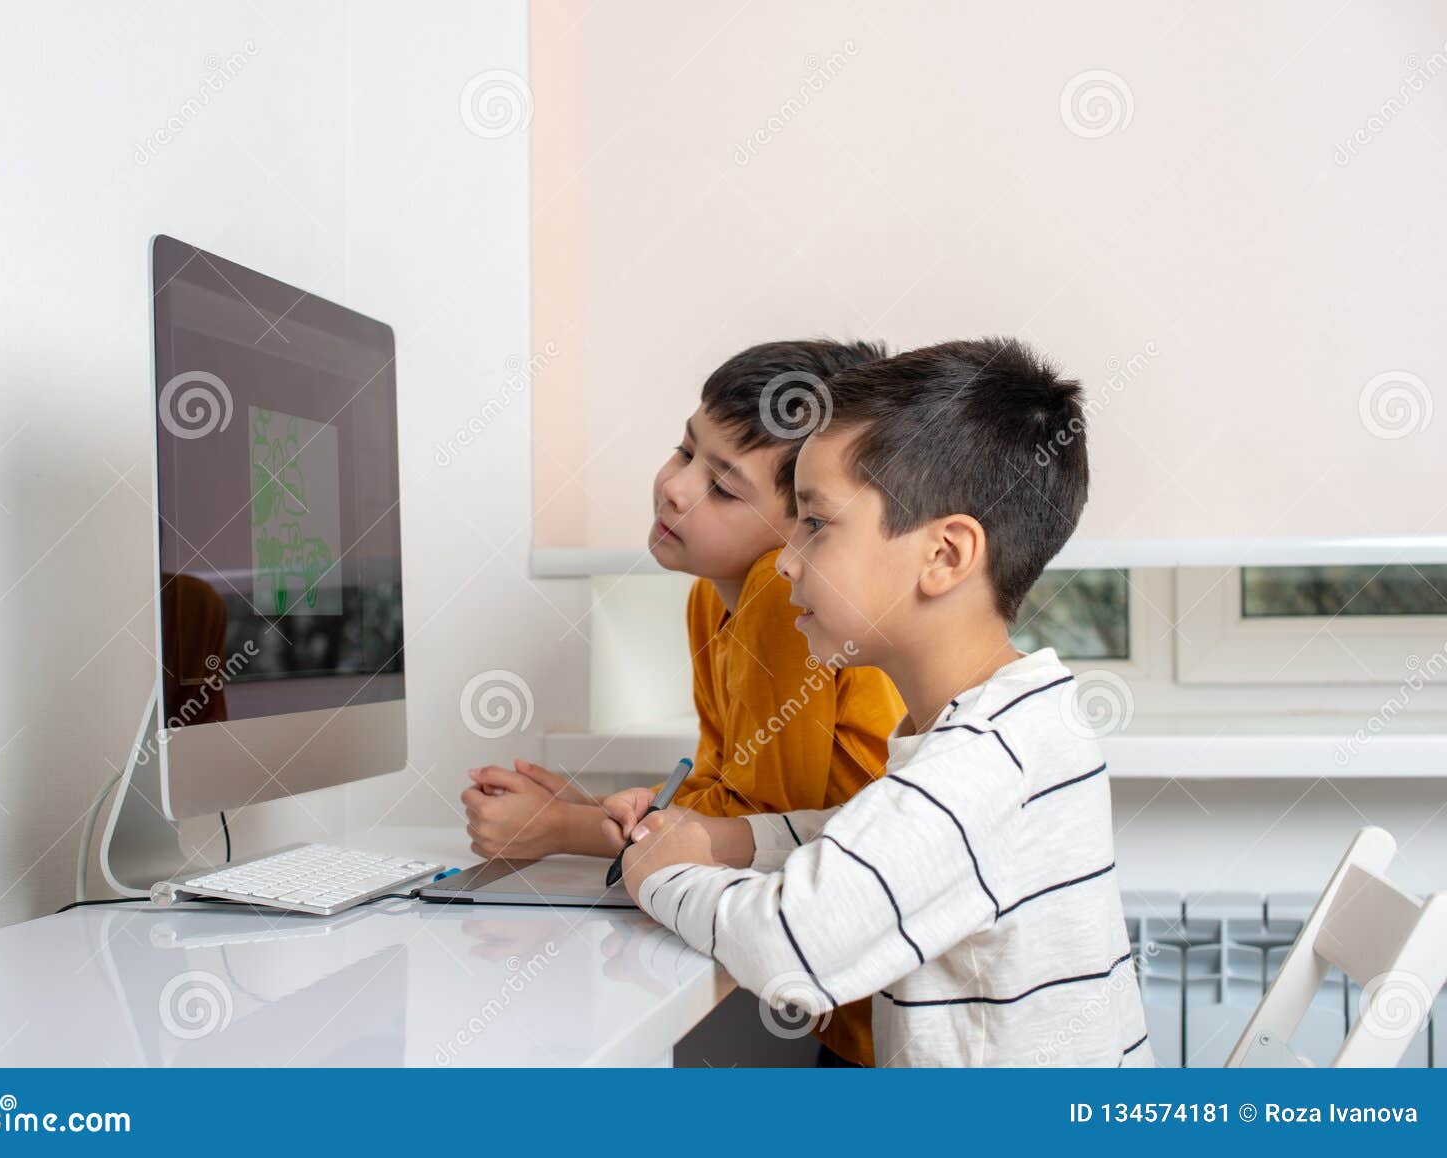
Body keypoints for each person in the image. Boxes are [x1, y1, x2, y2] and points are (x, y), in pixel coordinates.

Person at [613, 337, 1153, 1067]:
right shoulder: (1013, 717)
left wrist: (662, 875)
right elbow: (864, 839)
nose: (786, 558)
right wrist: (726, 842)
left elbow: (792, 947)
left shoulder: (984, 762)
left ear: (944, 556)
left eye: (815, 522)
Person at [462, 338, 905, 1067]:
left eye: (725, 489)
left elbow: (754, 833)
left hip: (852, 1000)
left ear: (808, 526)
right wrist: (613, 812)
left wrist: (565, 828)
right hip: (810, 976)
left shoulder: (778, 595)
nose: (676, 486)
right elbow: (720, 788)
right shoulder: (711, 597)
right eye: (685, 450)